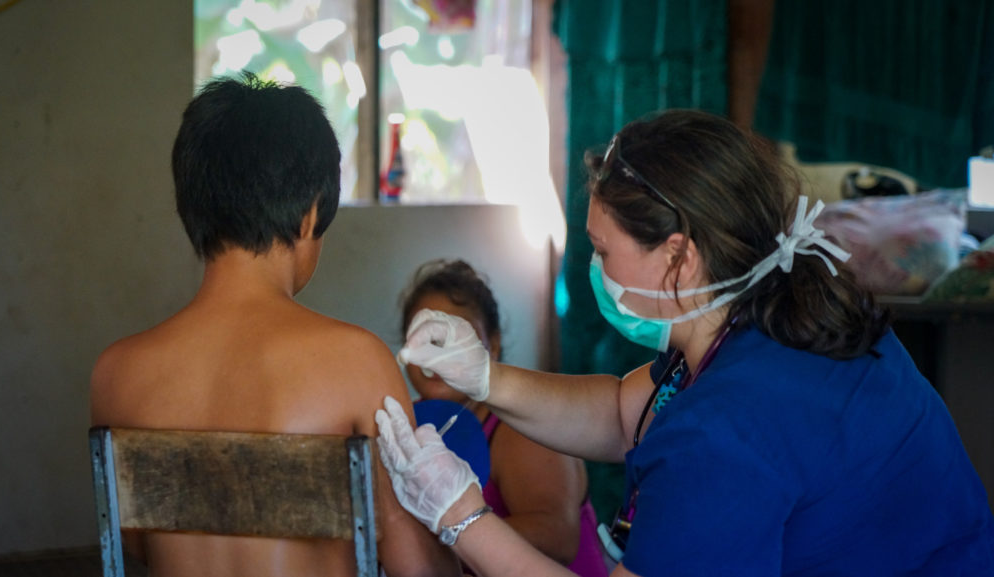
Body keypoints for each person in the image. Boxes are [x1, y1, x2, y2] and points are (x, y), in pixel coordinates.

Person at [374, 109, 994, 576]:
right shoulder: (768, 315)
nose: (595, 269)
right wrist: (486, 377)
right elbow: (623, 414)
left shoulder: (728, 430)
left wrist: (463, 520)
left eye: (602, 250)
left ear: (679, 256)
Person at [90, 72, 460, 577]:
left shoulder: (116, 373)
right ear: (309, 216)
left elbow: (136, 545)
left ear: (192, 206)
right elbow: (416, 567)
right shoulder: (356, 362)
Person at [399, 259, 608, 577]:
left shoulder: (519, 426)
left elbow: (558, 537)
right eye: (426, 335)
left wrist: (437, 545)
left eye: (451, 336)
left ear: (491, 344)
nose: (438, 350)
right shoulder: (407, 423)